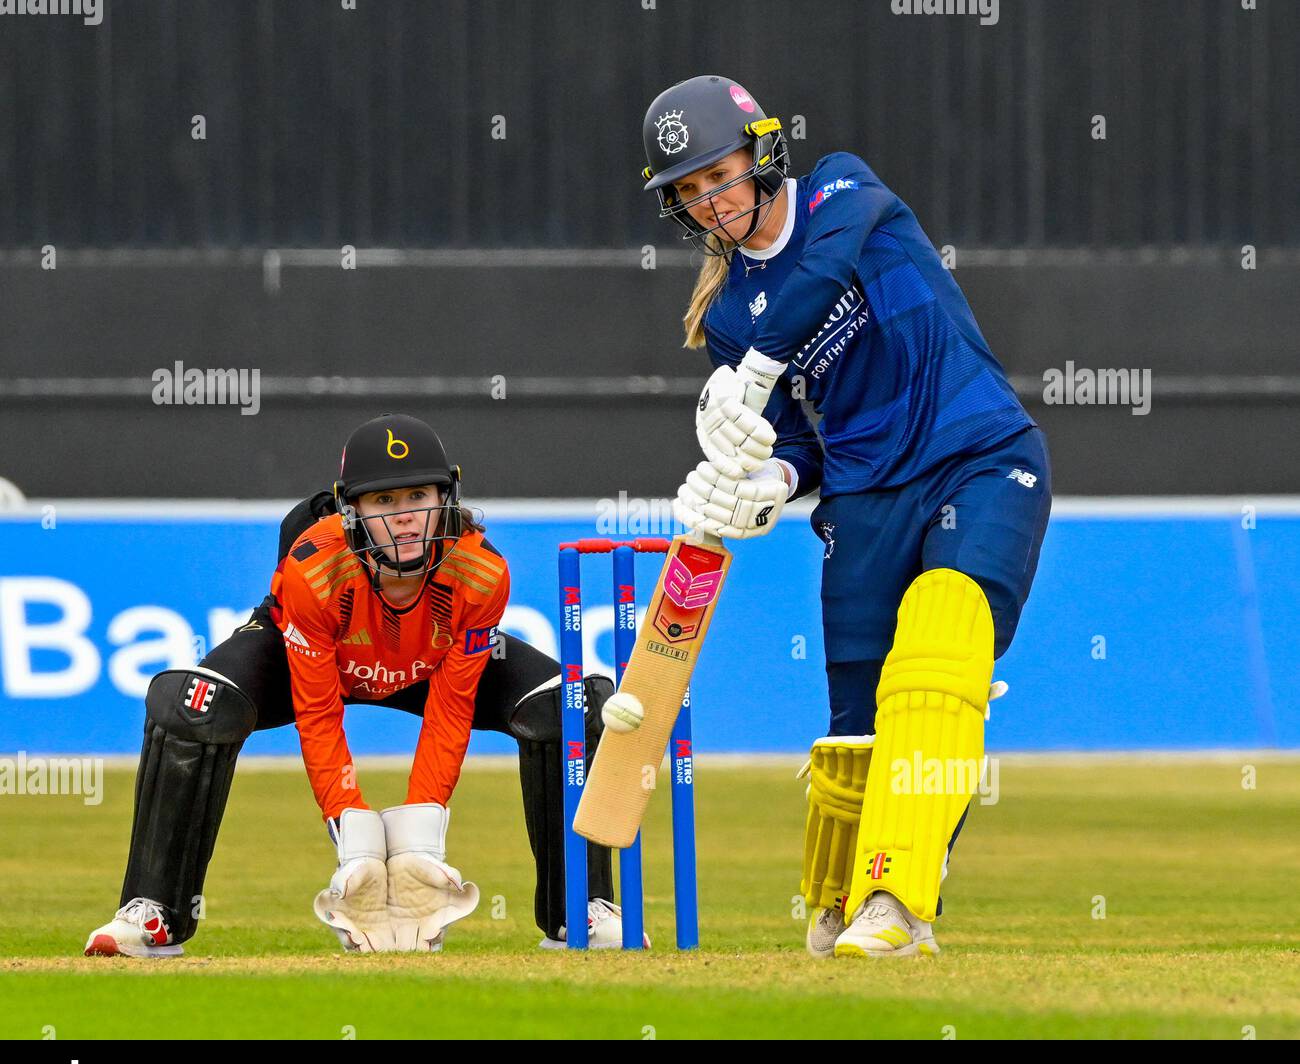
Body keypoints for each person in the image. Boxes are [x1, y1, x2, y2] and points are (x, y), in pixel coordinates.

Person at [642, 76, 1051, 957]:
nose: (712, 203)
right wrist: (769, 482)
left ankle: (898, 904)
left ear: (762, 152)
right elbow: (799, 442)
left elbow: (822, 272)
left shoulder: (840, 189)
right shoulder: (725, 319)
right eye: (689, 191)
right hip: (864, 497)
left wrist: (751, 369)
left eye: (721, 174)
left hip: (976, 454)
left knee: (938, 651)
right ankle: (839, 901)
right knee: (857, 729)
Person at [85, 412, 639, 956]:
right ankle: (153, 910)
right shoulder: (314, 568)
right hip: (315, 657)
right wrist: (352, 834)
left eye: (418, 497)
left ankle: (580, 910)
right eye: (384, 502)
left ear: (446, 498)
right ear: (351, 511)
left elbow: (451, 708)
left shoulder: (481, 570)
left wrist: (420, 837)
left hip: (429, 660)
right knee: (191, 703)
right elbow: (318, 711)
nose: (405, 517)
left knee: (572, 705)